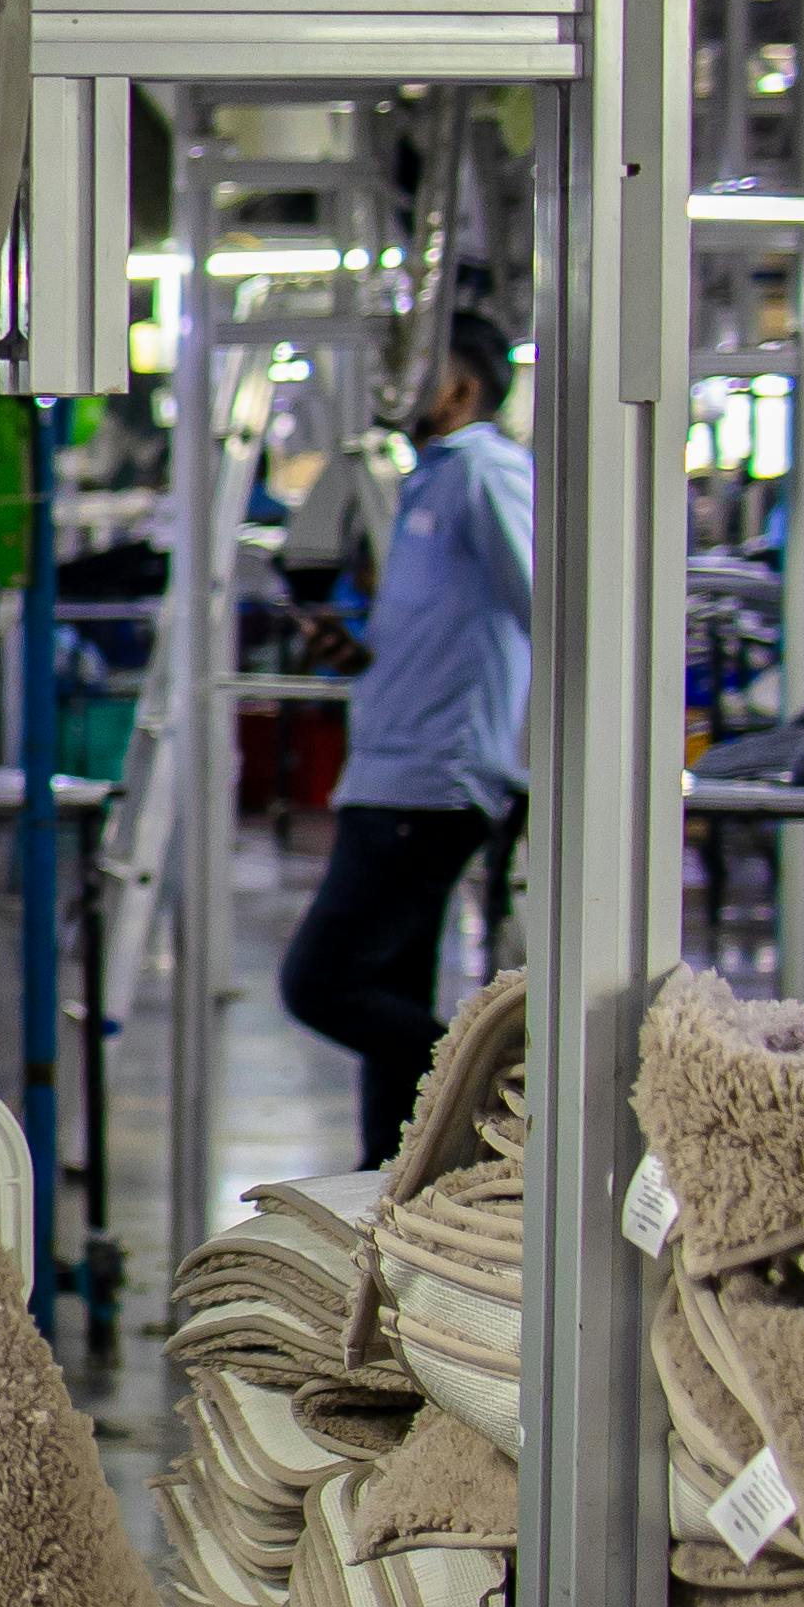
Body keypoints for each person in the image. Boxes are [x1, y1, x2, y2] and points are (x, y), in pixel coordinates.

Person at [284, 311, 535, 1162]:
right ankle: (389, 1186)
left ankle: (500, 1080)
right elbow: (445, 629)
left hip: (428, 784)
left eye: (412, 370)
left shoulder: (486, 474)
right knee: (387, 989)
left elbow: (548, 601)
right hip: (390, 773)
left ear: (459, 390)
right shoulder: (428, 482)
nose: (393, 387)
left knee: (320, 983)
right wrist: (358, 652)